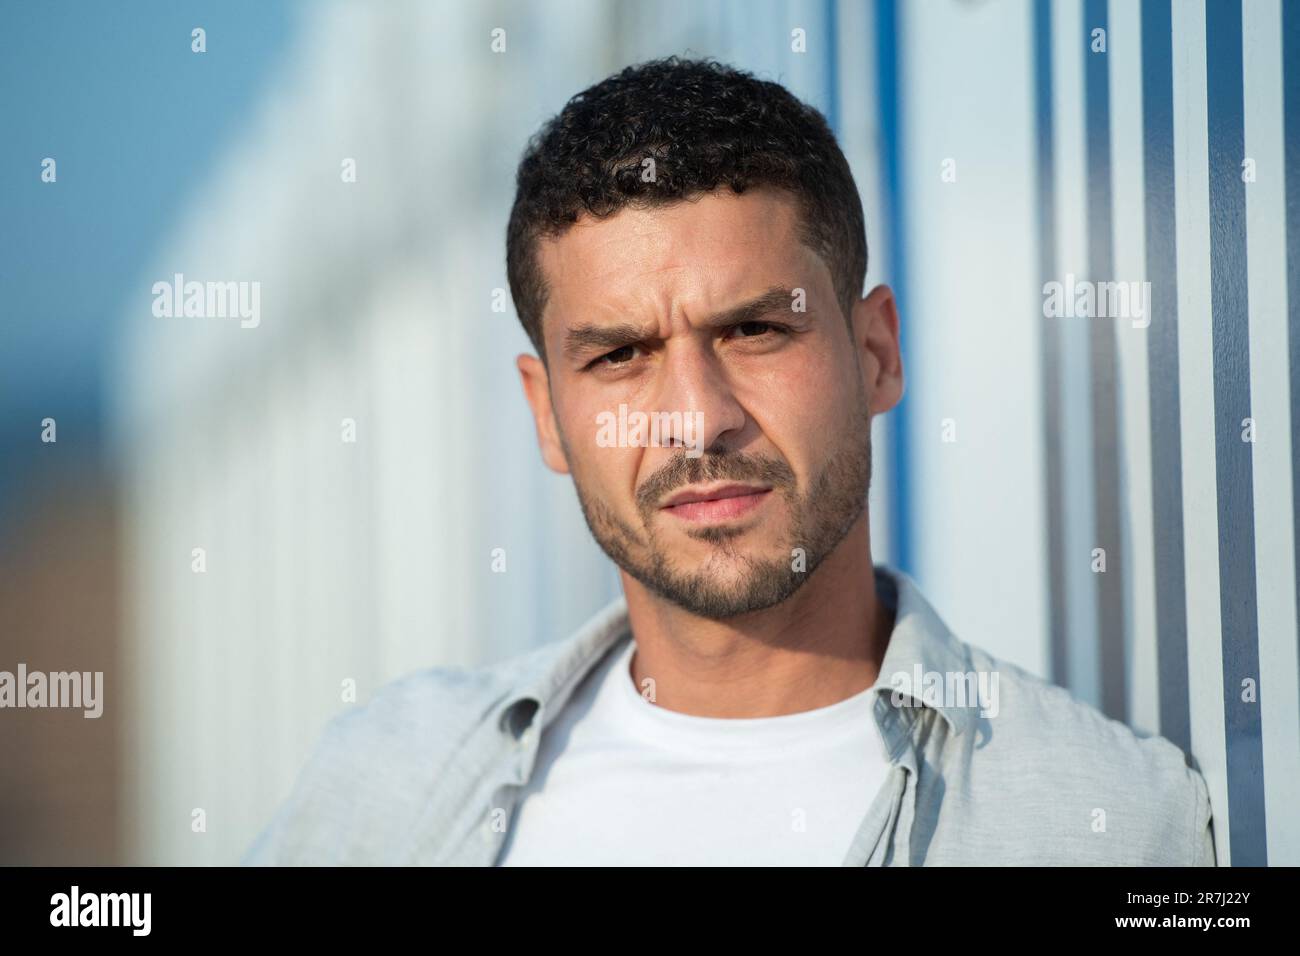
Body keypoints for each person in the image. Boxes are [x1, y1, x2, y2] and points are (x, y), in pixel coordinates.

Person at [243, 56, 1216, 866]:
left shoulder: (1111, 823)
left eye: (753, 329)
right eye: (618, 354)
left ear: (875, 351)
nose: (696, 421)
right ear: (547, 414)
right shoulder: (386, 783)